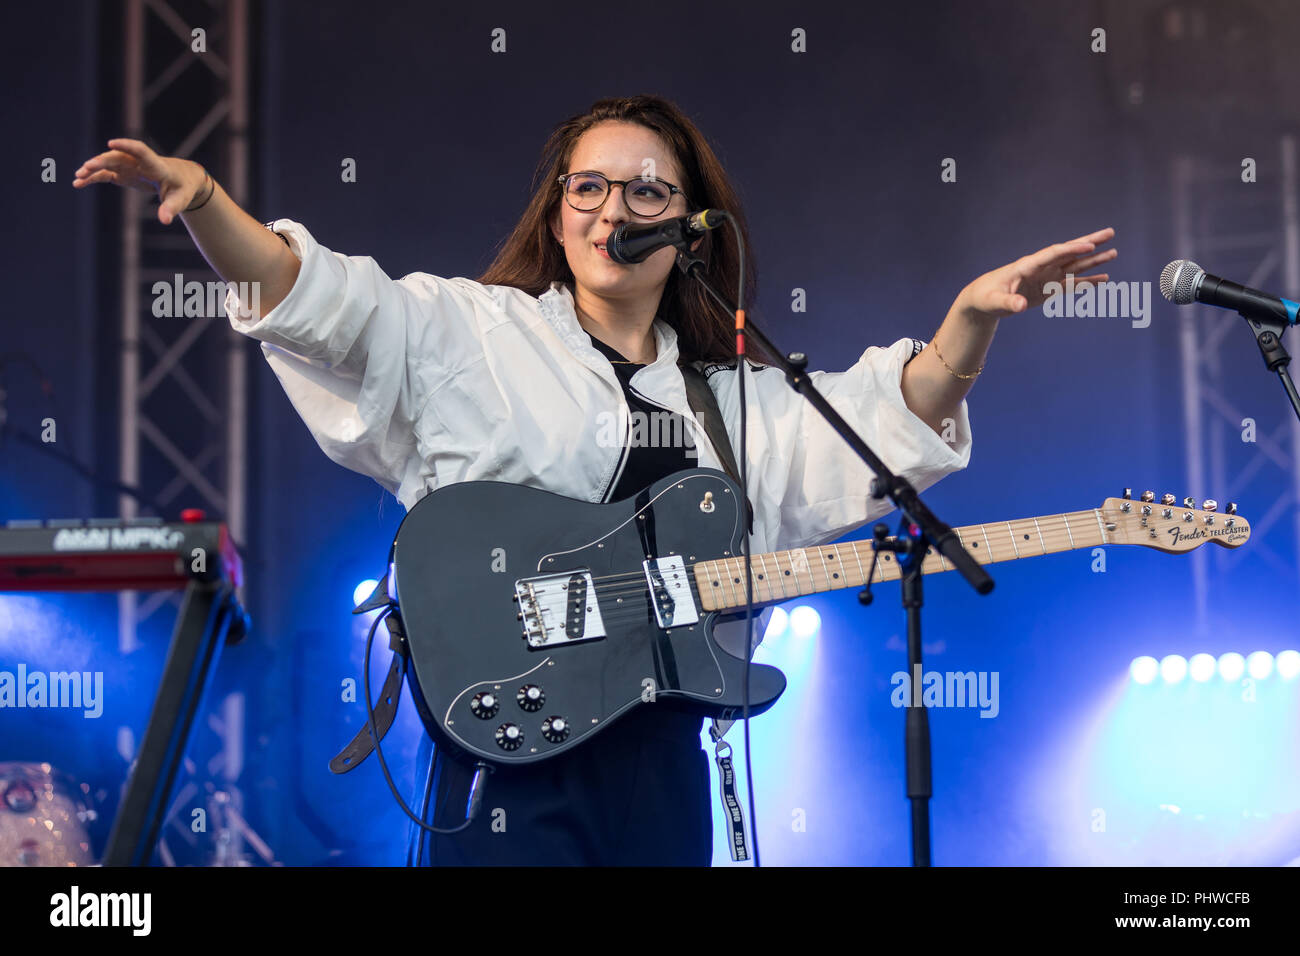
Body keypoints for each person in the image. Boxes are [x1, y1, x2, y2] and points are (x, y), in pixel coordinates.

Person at [74, 94, 1117, 866]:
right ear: (559, 207)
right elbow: (322, 302)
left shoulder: (732, 395)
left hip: (660, 758)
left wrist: (969, 321)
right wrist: (207, 201)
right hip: (508, 749)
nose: (614, 205)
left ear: (688, 222)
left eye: (646, 189)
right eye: (590, 185)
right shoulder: (471, 331)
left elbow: (875, 427)